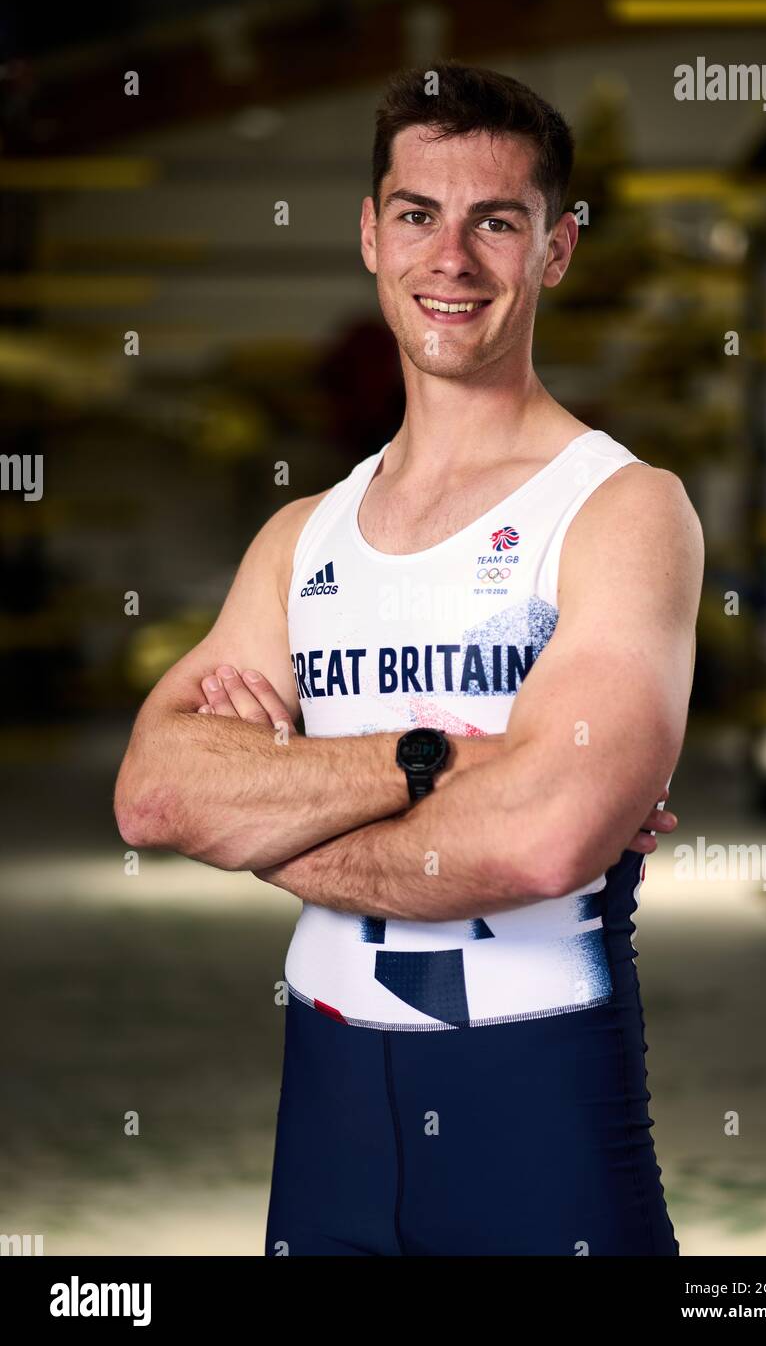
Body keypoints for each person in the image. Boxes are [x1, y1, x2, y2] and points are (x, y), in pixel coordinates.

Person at [114, 62, 703, 1256]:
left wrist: (273, 816)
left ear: (555, 250)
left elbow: (542, 840)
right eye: (418, 215)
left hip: (531, 1093)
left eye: (497, 220)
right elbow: (158, 794)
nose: (453, 258)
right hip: (326, 1100)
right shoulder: (301, 537)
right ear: (370, 238)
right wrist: (435, 760)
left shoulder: (622, 511)